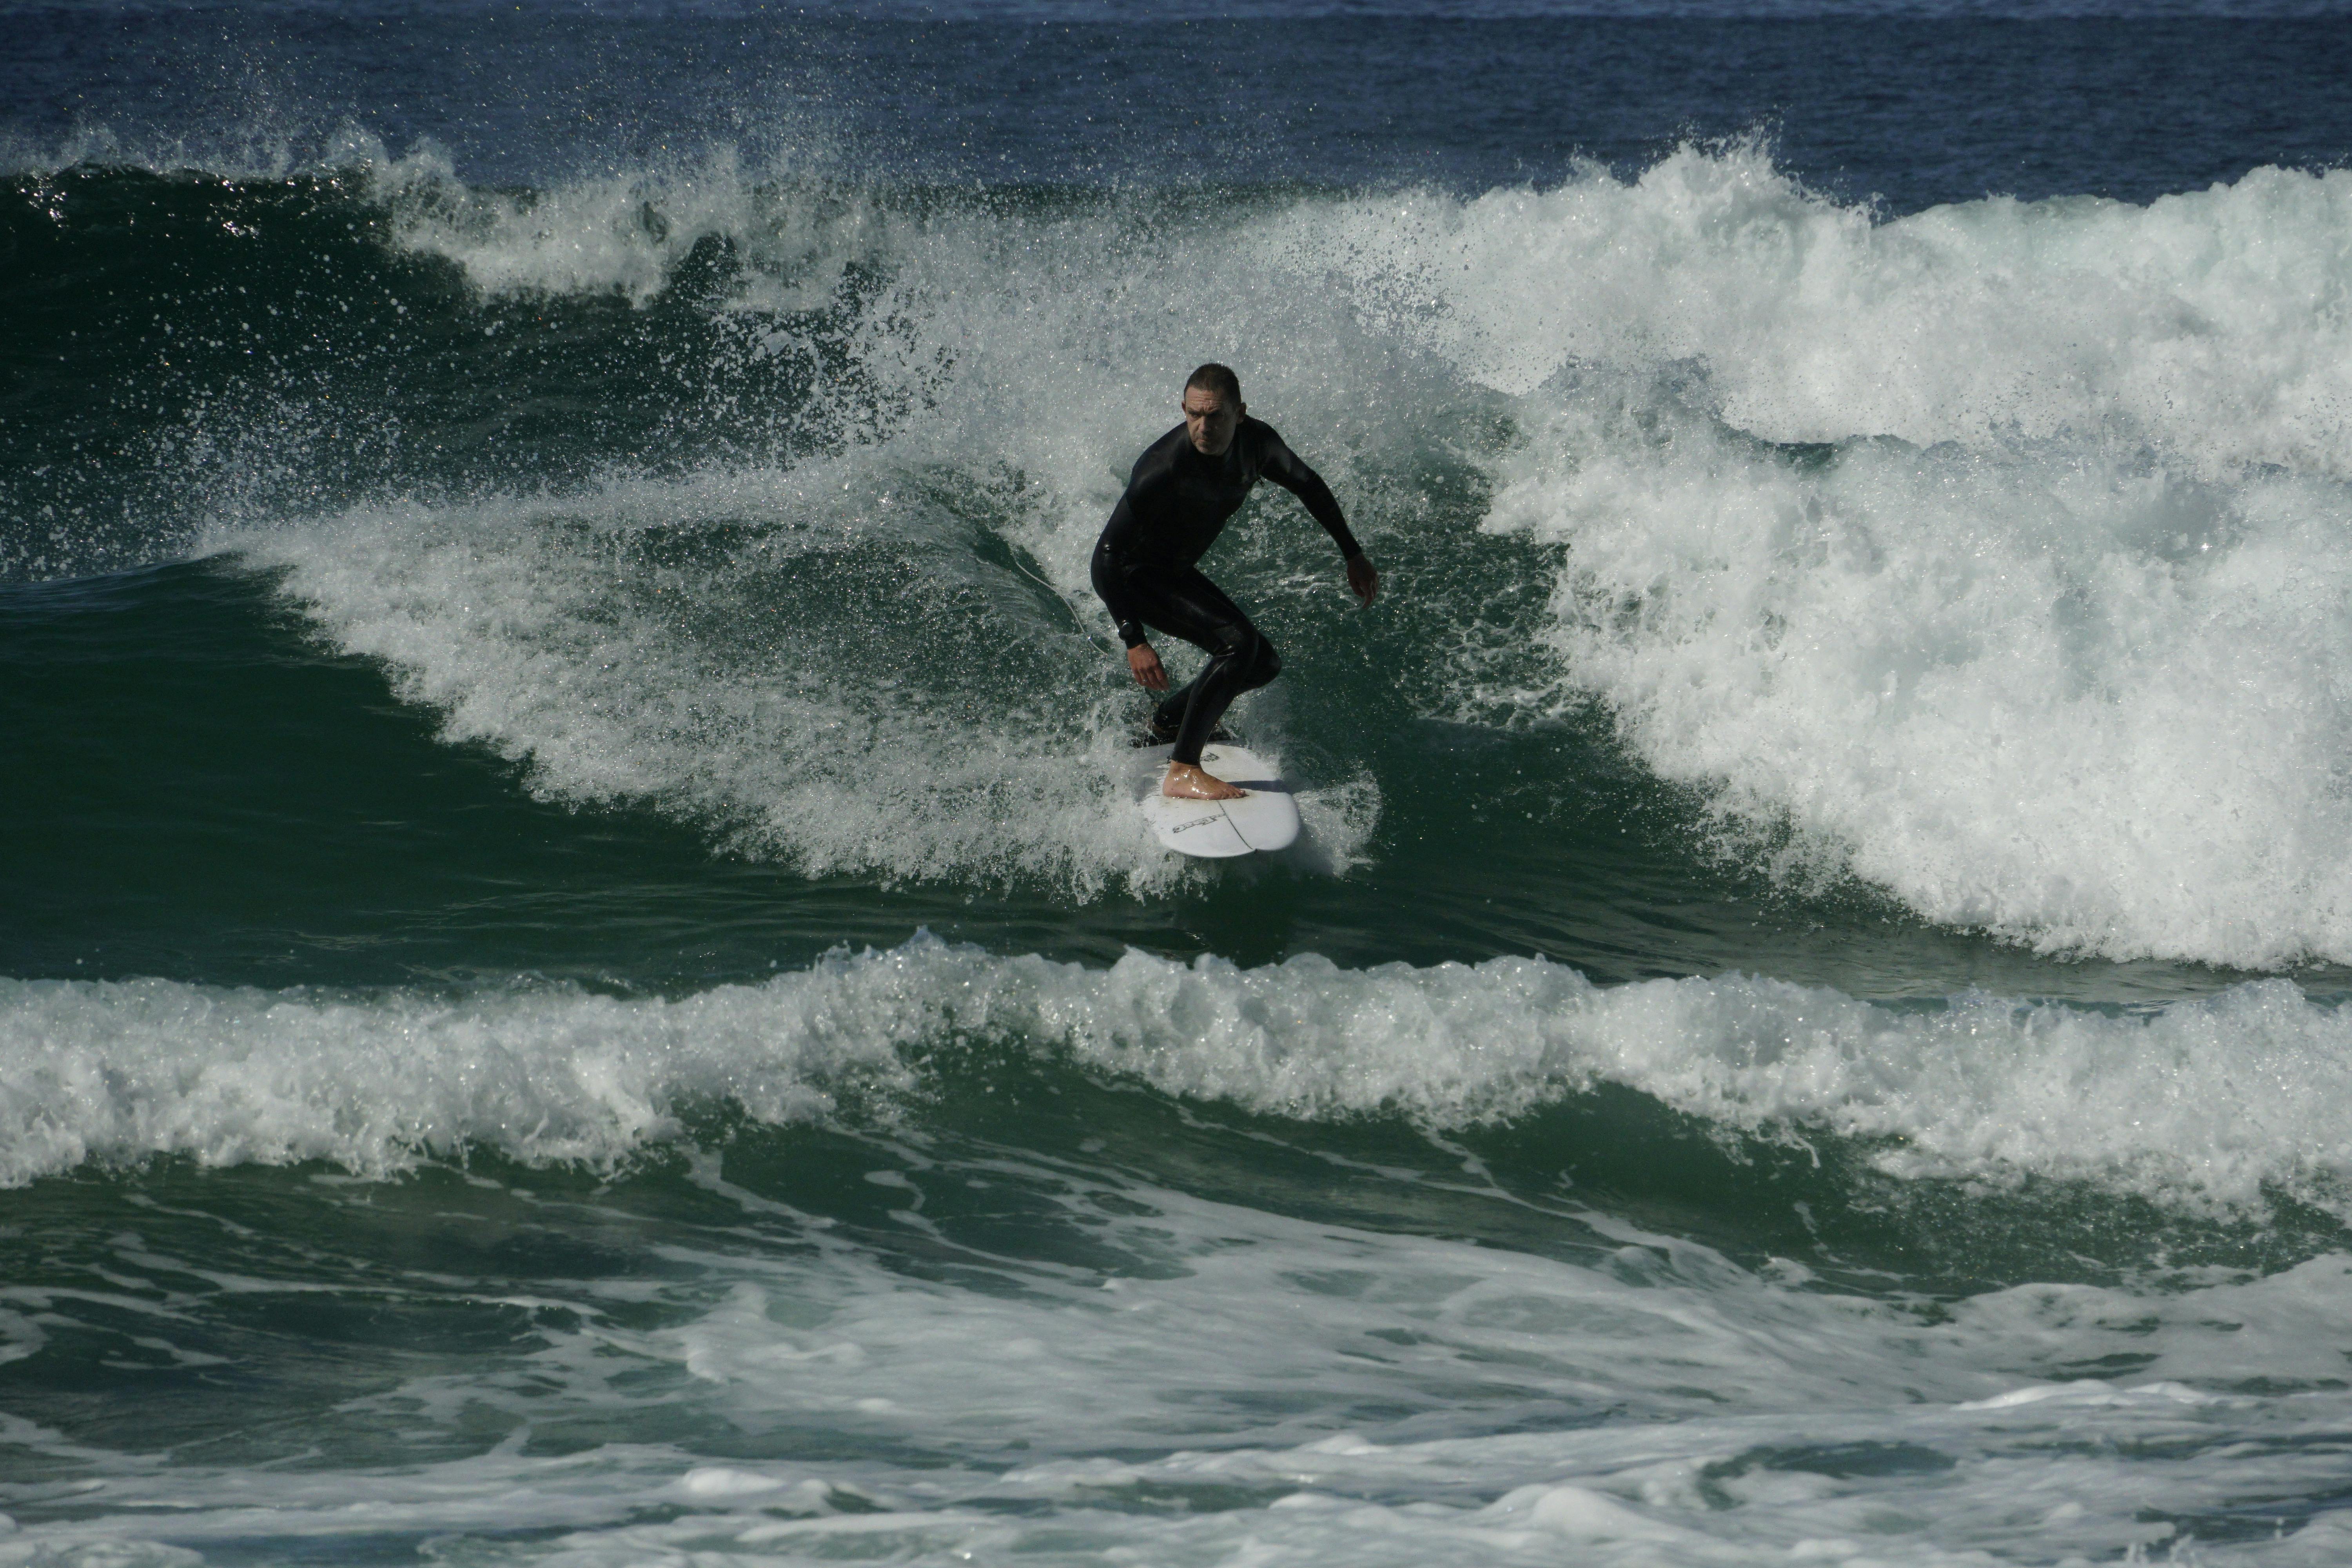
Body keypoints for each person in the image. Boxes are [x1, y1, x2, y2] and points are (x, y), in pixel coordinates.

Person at [1091, 364, 1378, 800]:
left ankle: (1167, 722)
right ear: (1183, 410)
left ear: (1240, 413)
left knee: (1262, 664)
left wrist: (1352, 553)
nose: (1203, 427)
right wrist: (1134, 638)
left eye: (1216, 416)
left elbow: (1308, 484)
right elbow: (1106, 556)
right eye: (1194, 415)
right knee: (1238, 645)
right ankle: (1183, 769)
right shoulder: (1163, 468)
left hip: (1174, 572)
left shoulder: (1257, 445)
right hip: (1134, 578)